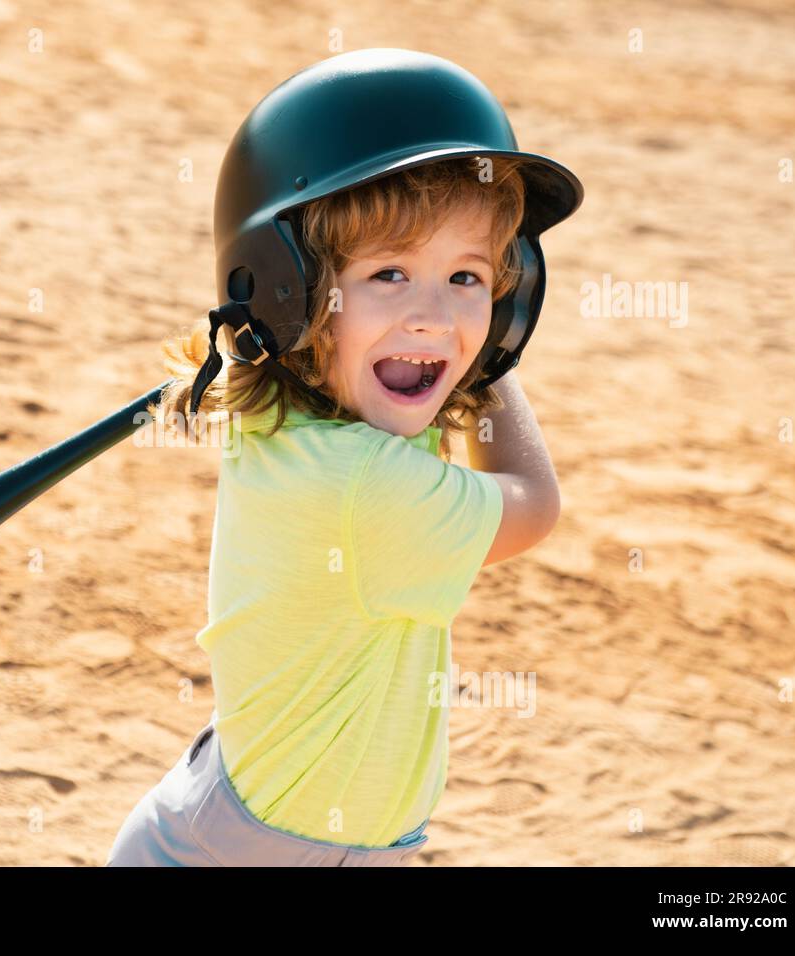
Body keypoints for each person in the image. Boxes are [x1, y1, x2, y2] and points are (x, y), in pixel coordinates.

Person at [106, 48, 581, 866]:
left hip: (266, 833)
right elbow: (533, 506)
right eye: (389, 273)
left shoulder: (302, 410)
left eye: (469, 278)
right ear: (287, 292)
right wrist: (497, 360)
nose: (434, 318)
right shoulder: (366, 483)